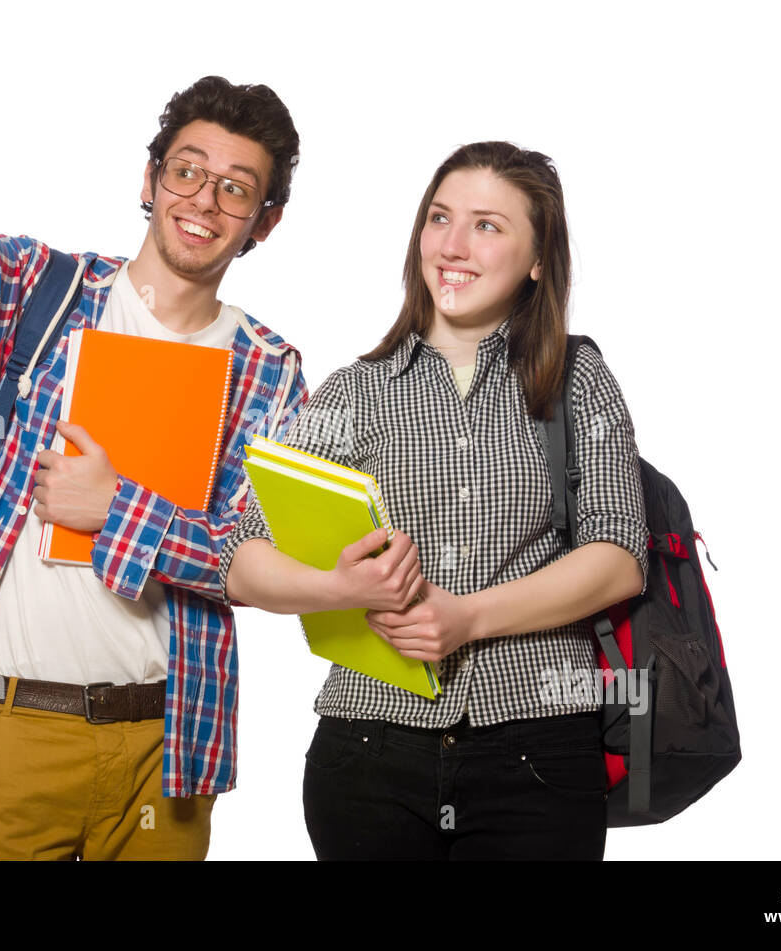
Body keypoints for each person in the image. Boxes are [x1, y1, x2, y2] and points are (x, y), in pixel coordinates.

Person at [0, 62, 307, 860]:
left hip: (166, 749)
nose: (204, 202)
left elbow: (251, 558)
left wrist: (119, 510)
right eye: (187, 171)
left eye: (236, 189)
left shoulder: (269, 371)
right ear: (151, 178)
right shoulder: (46, 297)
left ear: (264, 222)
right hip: (8, 730)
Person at [220, 141, 648, 860]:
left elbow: (619, 557)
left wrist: (468, 617)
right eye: (440, 217)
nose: (452, 244)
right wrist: (337, 587)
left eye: (487, 225)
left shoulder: (577, 378)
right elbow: (242, 556)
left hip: (538, 748)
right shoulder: (353, 392)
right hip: (367, 753)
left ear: (539, 258)